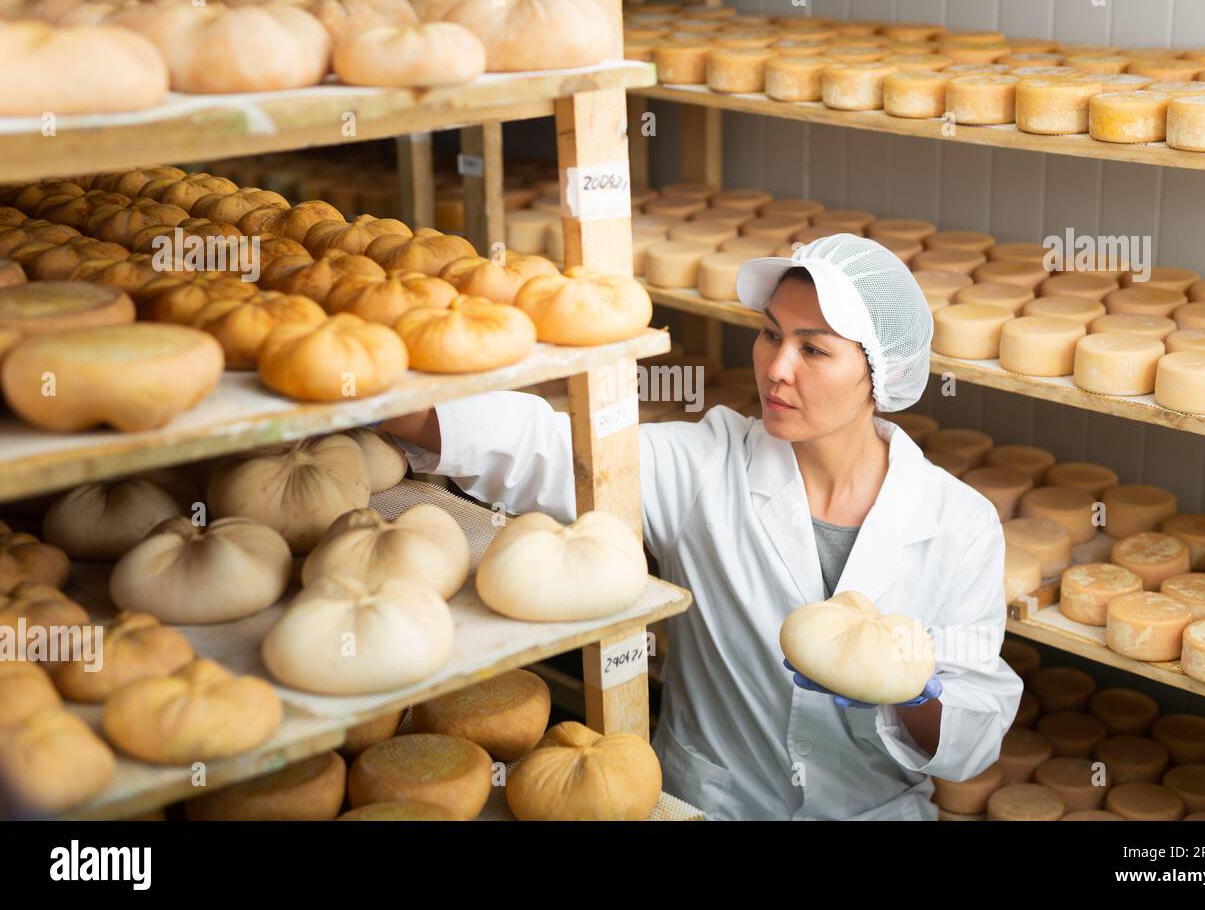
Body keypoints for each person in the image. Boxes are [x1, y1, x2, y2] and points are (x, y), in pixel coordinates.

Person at [383, 234, 1022, 820]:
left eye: (813, 349)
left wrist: (913, 696)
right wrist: (381, 398)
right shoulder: (707, 462)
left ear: (880, 373)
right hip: (713, 805)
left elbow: (975, 734)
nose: (776, 368)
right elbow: (549, 450)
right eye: (771, 335)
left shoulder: (958, 523)